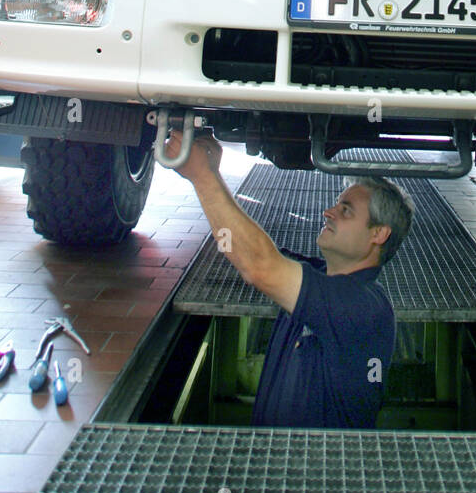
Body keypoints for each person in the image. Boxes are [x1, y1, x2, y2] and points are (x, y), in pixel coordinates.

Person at [163, 129, 414, 429]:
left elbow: (258, 267)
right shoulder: (320, 276)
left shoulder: (366, 307)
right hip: (276, 464)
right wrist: (210, 171)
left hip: (316, 473)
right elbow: (238, 249)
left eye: (345, 211)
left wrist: (202, 175)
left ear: (379, 234)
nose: (327, 212)